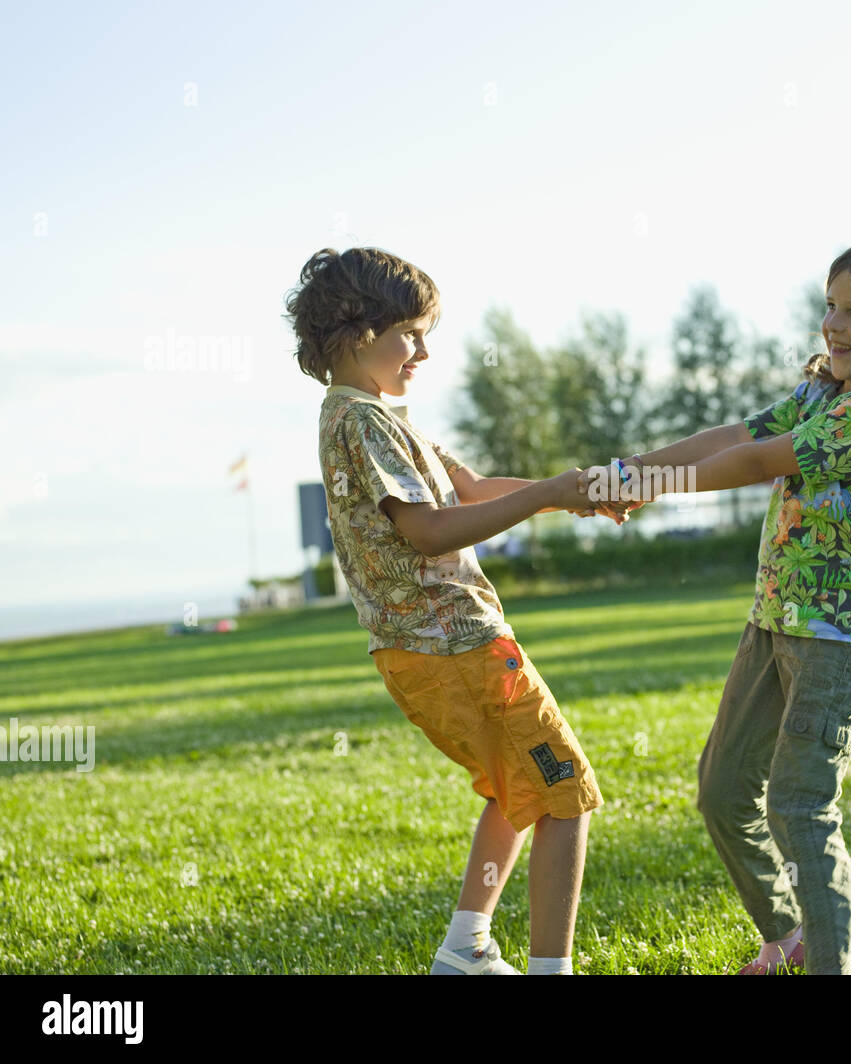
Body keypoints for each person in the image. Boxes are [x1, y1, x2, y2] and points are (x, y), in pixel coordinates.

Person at [582, 237, 851, 974]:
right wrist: (626, 471)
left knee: (798, 804)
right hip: (772, 623)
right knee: (723, 791)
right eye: (830, 305)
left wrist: (641, 490)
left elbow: (759, 462)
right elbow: (735, 435)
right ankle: (790, 935)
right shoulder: (824, 392)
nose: (833, 323)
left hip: (839, 637)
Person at [286, 247, 623, 975]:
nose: (425, 350)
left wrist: (570, 491)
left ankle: (465, 948)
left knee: (515, 788)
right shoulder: (364, 424)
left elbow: (465, 487)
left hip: (426, 651)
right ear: (354, 328)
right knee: (566, 793)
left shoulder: (374, 418)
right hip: (456, 646)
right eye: (410, 331)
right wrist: (543, 495)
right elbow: (428, 530)